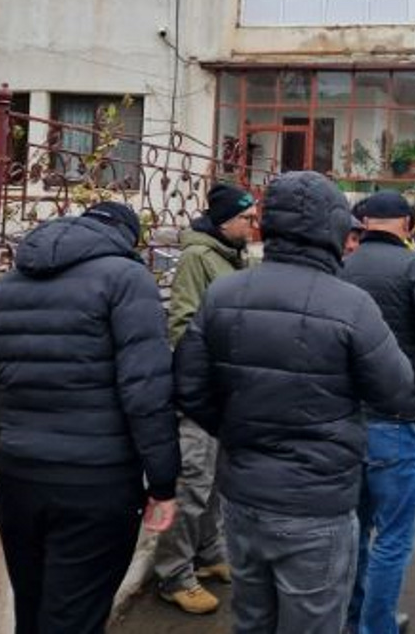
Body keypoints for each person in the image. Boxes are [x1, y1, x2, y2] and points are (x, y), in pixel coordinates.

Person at [174, 172, 413, 634]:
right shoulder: (351, 305)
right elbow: (396, 388)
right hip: (317, 504)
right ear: (332, 229)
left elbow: (189, 386)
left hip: (243, 497)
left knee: (251, 619)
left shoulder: (224, 294)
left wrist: (236, 430)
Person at [0, 201, 180, 634]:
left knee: (33, 608)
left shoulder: (2, 288)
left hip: (20, 479)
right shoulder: (126, 280)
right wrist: (163, 482)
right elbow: (146, 390)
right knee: (74, 617)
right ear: (125, 239)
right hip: (98, 482)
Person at [341, 191, 415, 634]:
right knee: (393, 537)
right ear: (407, 225)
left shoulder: (342, 267)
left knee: (354, 529)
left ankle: (356, 619)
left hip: (349, 418)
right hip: (399, 419)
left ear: (364, 223)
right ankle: (378, 625)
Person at [154, 183, 257, 614]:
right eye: (248, 219)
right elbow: (183, 324)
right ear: (225, 221)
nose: (255, 226)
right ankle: (174, 575)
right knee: (193, 481)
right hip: (202, 396)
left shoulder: (233, 257)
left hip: (228, 393)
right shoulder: (199, 258)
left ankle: (210, 553)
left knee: (218, 481)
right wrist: (205, 380)